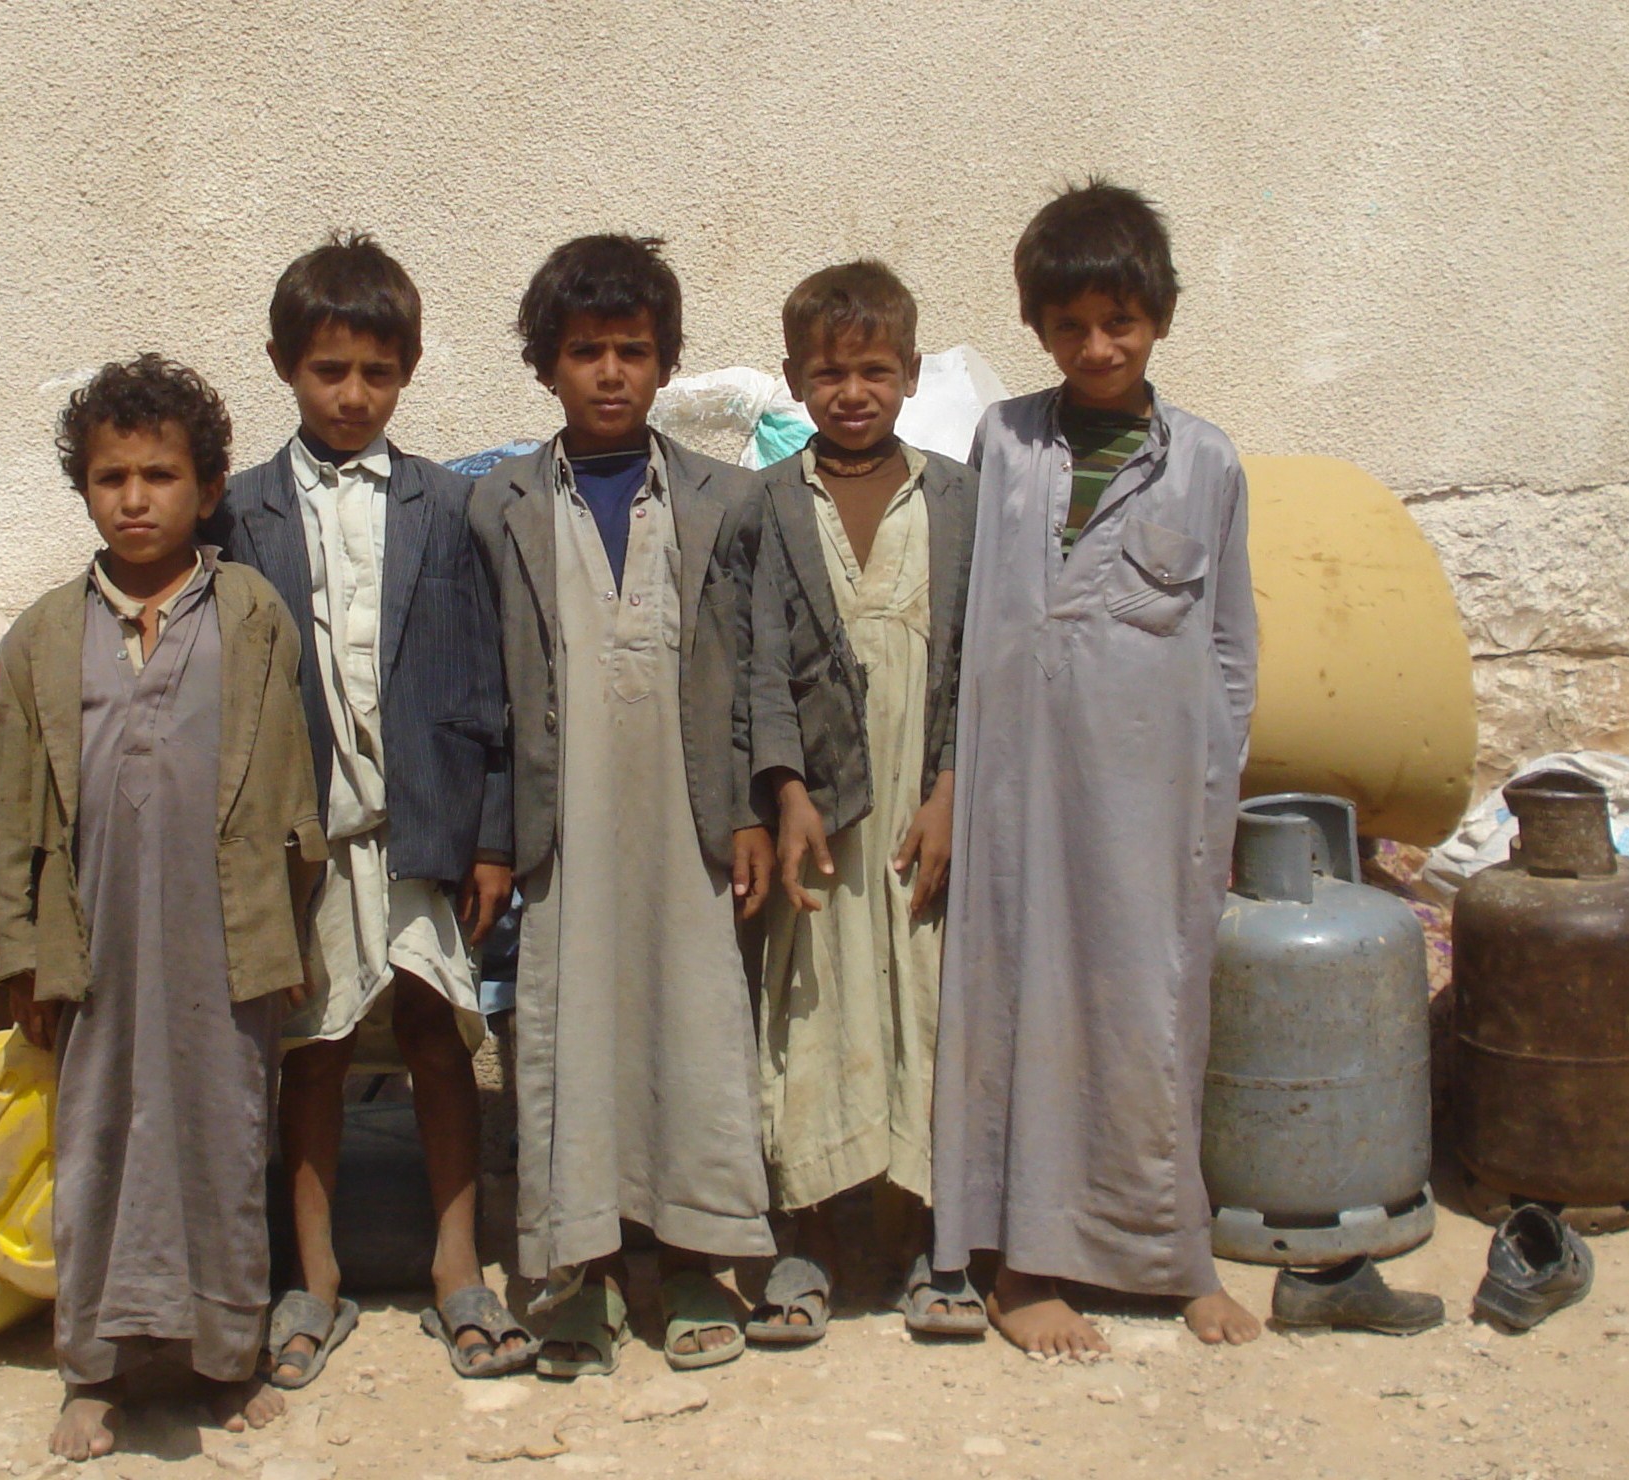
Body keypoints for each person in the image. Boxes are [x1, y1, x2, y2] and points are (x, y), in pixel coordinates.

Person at [929, 180, 1263, 1356]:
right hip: (1022, 792)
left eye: (1118, 322)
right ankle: (1027, 1265)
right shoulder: (1006, 444)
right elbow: (964, 624)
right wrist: (953, 784)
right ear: (1037, 330)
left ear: (1160, 317)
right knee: (1024, 1009)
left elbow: (1229, 655)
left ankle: (1176, 1258)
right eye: (1070, 326)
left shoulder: (1208, 462)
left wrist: (1208, 811)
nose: (1097, 346)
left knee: (1152, 1015)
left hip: (1150, 804)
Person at [209, 233, 533, 1385]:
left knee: (441, 1040)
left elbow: (489, 681)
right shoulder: (234, 511)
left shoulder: (450, 507)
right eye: (328, 370)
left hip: (424, 831)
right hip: (305, 840)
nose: (352, 395)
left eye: (376, 374)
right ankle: (315, 1279)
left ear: (408, 371)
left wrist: (490, 833)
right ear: (282, 365)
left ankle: (459, 1269)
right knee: (316, 1048)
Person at [0, 355, 326, 1459]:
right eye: (111, 477)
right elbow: (16, 810)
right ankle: (93, 1368)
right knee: (94, 1141)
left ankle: (223, 1360)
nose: (135, 499)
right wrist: (23, 956)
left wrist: (288, 931)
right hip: (96, 938)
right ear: (84, 489)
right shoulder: (44, 634)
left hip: (223, 932)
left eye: (160, 476)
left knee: (223, 1137)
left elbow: (288, 785)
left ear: (208, 486)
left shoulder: (250, 612)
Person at [466, 233, 778, 1379]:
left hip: (688, 818)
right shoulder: (494, 506)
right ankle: (581, 1271)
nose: (609, 373)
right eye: (585, 351)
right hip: (563, 826)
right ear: (546, 365)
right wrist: (494, 836)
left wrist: (747, 805)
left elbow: (752, 669)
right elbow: (484, 694)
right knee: (568, 1028)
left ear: (666, 363)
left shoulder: (723, 501)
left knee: (695, 1021)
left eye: (632, 351)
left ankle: (697, 1255)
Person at [749, 260, 984, 1344]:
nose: (853, 391)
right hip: (822, 813)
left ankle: (937, 1247)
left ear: (911, 373)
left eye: (875, 370)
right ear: (796, 381)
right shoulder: (765, 506)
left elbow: (977, 660)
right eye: (830, 372)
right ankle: (805, 1242)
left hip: (922, 809)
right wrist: (786, 788)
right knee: (811, 1006)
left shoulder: (958, 500)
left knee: (927, 1007)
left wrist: (947, 790)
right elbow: (754, 664)